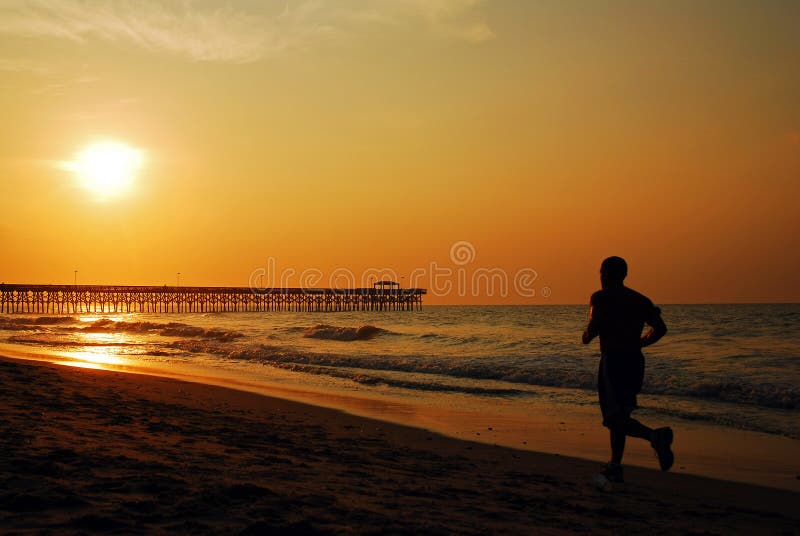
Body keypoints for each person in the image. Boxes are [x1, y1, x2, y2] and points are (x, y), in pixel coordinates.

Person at [582, 256, 671, 483]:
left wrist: (586, 335)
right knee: (621, 414)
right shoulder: (640, 300)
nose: (600, 277)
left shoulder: (600, 298)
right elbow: (660, 328)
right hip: (634, 361)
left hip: (613, 360)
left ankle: (654, 436)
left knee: (613, 418)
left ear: (605, 274)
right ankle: (615, 465)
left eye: (601, 272)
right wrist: (641, 342)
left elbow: (592, 330)